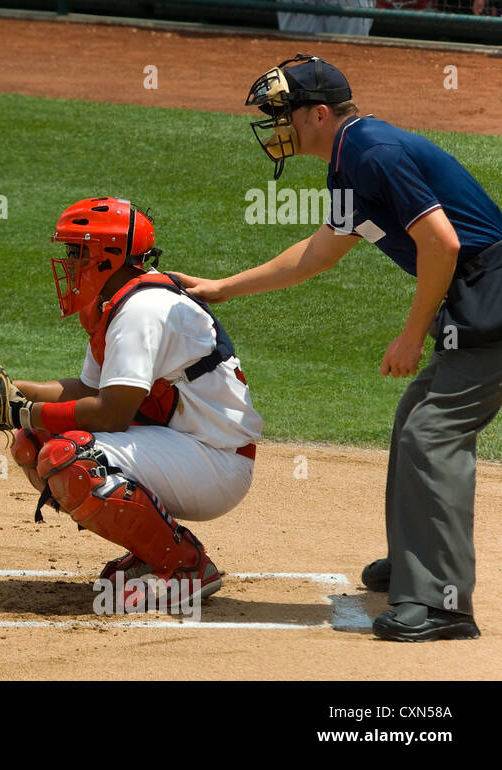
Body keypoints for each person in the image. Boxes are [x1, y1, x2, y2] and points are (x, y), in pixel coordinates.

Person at [175, 54, 502, 641]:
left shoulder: (373, 151)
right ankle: (416, 563)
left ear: (318, 114)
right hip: (476, 296)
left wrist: (409, 334)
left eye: (282, 114)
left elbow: (443, 245)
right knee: (416, 421)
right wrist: (223, 288)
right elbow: (321, 250)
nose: (275, 126)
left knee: (432, 434)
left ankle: (445, 607)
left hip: (489, 294)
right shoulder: (349, 159)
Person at [3, 197, 263, 609]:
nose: (69, 263)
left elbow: (112, 414)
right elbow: (89, 392)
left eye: (77, 252)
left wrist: (19, 409)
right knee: (32, 439)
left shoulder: (142, 308)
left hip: (216, 462)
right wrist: (13, 391)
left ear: (107, 255)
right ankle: (152, 548)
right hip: (181, 448)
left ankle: (185, 566)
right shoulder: (118, 301)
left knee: (72, 459)